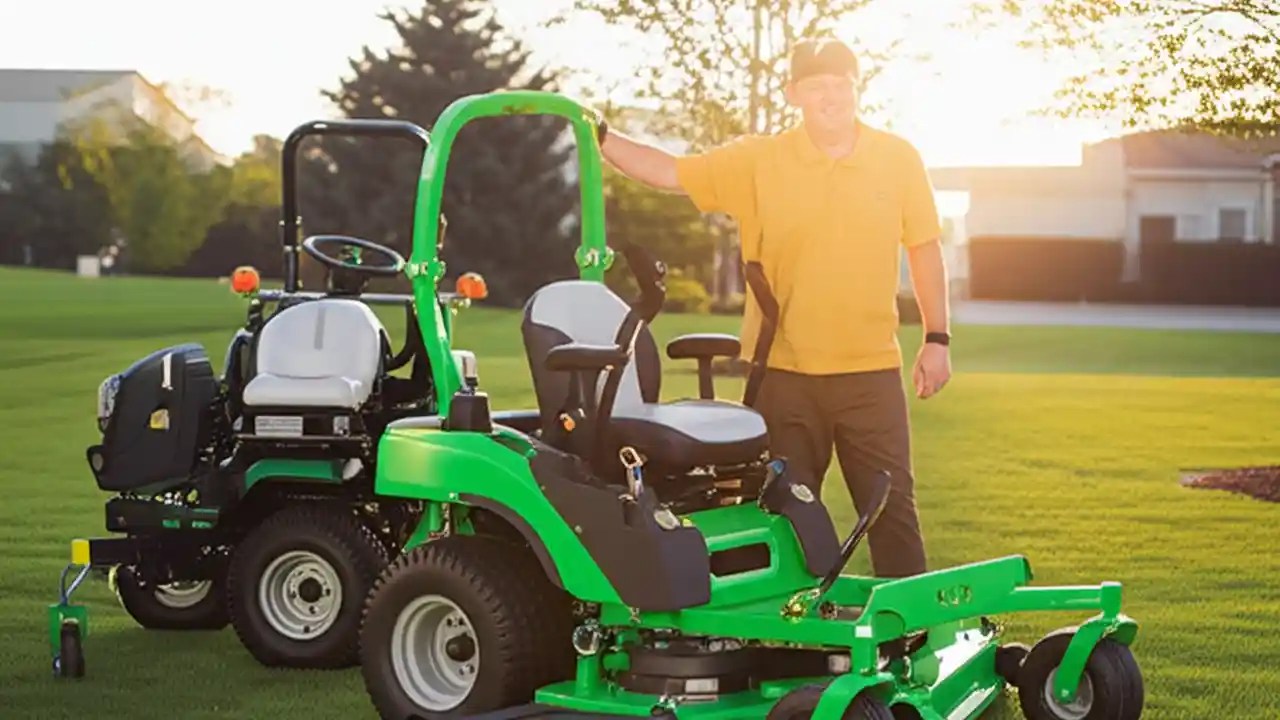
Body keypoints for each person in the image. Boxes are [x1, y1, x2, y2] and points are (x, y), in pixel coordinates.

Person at [596, 37, 950, 579]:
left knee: (891, 510)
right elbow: (669, 172)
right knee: (784, 514)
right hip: (785, 375)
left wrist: (936, 338)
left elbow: (924, 248)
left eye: (840, 84)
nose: (830, 97)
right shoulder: (759, 160)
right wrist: (597, 133)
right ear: (794, 95)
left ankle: (914, 642)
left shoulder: (898, 158)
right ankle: (789, 642)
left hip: (871, 375)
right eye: (816, 87)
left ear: (856, 89)